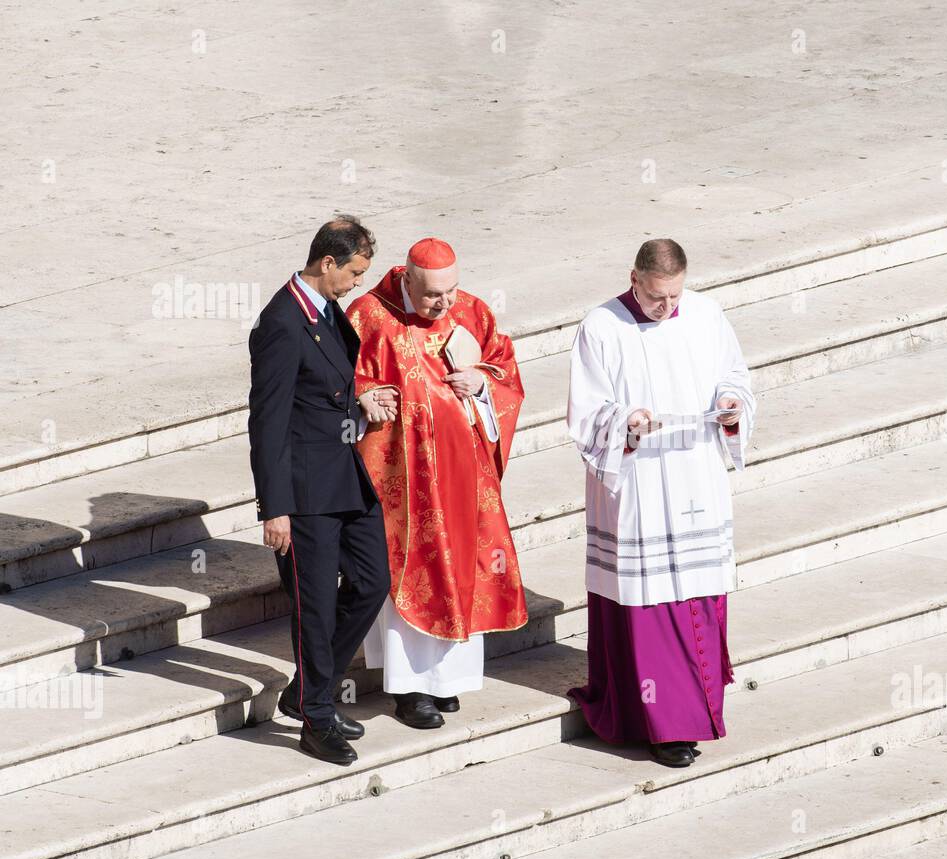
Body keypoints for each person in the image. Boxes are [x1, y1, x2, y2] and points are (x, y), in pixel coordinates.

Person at [566, 238, 756, 767]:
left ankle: (699, 707)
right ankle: (666, 723)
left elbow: (734, 377)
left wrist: (730, 404)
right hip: (640, 484)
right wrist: (624, 422)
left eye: (673, 296)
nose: (666, 308)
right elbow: (586, 412)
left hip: (695, 477)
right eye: (655, 298)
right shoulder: (602, 327)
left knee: (698, 595)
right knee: (651, 609)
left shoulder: (707, 314)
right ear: (634, 277)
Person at [346, 237, 528, 730]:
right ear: (405, 279)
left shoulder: (472, 310)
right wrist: (363, 398)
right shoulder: (370, 315)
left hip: (465, 477)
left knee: (462, 568)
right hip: (403, 477)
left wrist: (484, 383)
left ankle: (448, 683)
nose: (444, 304)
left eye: (450, 292)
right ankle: (409, 690)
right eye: (431, 295)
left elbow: (505, 370)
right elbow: (342, 377)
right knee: (413, 571)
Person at [248, 215, 393, 766]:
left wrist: (361, 404)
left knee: (372, 579)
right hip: (305, 489)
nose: (358, 281)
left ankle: (307, 689)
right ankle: (316, 716)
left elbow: (326, 389)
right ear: (327, 262)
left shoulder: (327, 308)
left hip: (342, 473)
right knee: (314, 603)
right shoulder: (283, 322)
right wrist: (275, 507)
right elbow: (268, 420)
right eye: (354, 271)